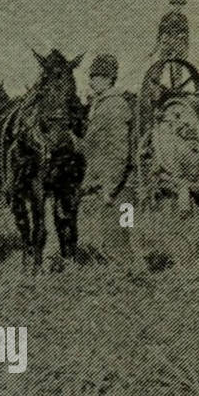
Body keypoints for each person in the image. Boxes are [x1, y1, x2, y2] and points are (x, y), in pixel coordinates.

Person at [77, 53, 138, 270]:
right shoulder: (104, 104)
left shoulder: (113, 106)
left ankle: (128, 280)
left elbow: (120, 152)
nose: (91, 81)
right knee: (120, 233)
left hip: (121, 186)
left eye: (95, 76)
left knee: (116, 236)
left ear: (108, 78)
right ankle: (130, 274)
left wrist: (110, 188)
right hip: (121, 183)